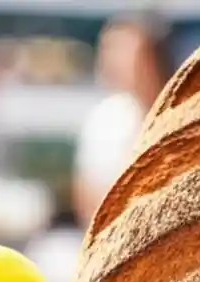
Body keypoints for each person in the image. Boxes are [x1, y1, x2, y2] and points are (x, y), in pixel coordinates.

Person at [73, 12, 173, 226]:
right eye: (108, 50)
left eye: (123, 51)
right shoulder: (106, 116)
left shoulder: (177, 115)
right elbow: (85, 191)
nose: (114, 61)